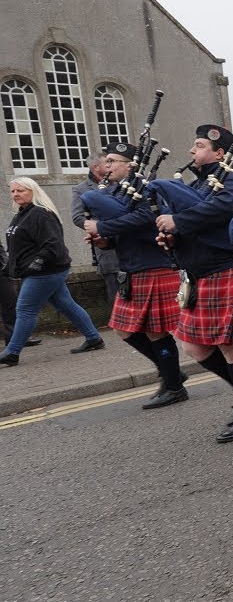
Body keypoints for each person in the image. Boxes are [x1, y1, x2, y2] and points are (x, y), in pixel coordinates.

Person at [155, 125, 233, 442]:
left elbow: (230, 205)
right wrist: (172, 239)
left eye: (200, 145)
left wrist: (179, 221)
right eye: (193, 145)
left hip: (226, 271)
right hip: (200, 276)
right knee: (194, 346)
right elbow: (200, 223)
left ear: (220, 153)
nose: (192, 150)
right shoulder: (199, 184)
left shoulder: (228, 176)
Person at [83, 142, 188, 408]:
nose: (107, 167)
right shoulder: (117, 192)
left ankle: (173, 385)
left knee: (156, 332)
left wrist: (102, 225)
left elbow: (144, 220)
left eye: (112, 161)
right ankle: (171, 372)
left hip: (153, 265)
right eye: (106, 162)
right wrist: (104, 241)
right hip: (130, 268)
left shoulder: (145, 187)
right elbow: (124, 232)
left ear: (130, 164)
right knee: (123, 330)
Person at [0, 178, 104, 366]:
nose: (16, 195)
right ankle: (94, 338)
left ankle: (12, 352)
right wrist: (10, 267)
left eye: (21, 191)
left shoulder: (42, 214)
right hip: (37, 271)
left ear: (32, 191)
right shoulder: (22, 214)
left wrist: (35, 264)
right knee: (66, 305)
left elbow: (52, 244)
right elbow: (18, 247)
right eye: (13, 191)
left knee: (24, 310)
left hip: (45, 272)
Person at [71, 153, 121, 307]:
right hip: (107, 250)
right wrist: (101, 227)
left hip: (131, 247)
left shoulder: (119, 183)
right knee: (117, 297)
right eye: (106, 162)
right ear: (95, 168)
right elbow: (78, 217)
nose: (109, 165)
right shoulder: (82, 189)